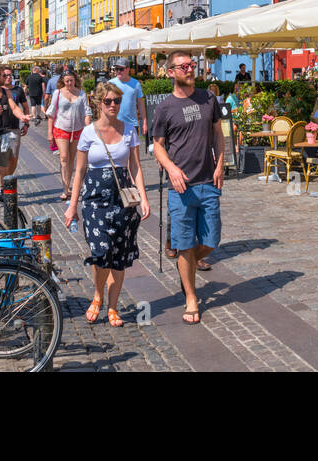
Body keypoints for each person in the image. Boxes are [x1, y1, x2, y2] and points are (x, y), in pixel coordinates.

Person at [64, 81, 150, 326]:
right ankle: (98, 296)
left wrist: (143, 197)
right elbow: (79, 172)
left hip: (123, 199)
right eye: (108, 101)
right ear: (99, 103)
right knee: (101, 252)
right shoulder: (88, 132)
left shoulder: (129, 130)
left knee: (119, 256)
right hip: (95, 200)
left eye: (117, 101)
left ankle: (113, 307)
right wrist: (72, 206)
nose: (113, 105)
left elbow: (134, 167)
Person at [151, 50, 224, 325]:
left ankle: (187, 267)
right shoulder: (165, 108)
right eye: (183, 66)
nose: (190, 70)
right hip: (180, 187)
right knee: (183, 244)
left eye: (192, 65)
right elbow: (158, 146)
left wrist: (220, 163)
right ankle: (191, 297)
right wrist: (171, 168)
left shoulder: (208, 98)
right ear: (170, 72)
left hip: (208, 180)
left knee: (210, 241)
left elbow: (217, 132)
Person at [49, 71, 90, 201]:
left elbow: (87, 112)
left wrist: (88, 128)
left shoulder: (81, 93)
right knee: (64, 157)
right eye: (66, 81)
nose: (69, 83)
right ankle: (65, 189)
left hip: (77, 130)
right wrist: (49, 133)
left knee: (72, 159)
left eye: (71, 80)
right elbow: (51, 114)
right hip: (61, 128)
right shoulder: (58, 93)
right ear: (63, 81)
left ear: (75, 80)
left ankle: (71, 185)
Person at [109, 58, 147, 151]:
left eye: (121, 69)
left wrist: (144, 122)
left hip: (132, 123)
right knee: (116, 152)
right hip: (114, 123)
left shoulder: (135, 83)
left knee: (133, 153)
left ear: (128, 69)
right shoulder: (111, 83)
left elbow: (140, 103)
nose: (118, 71)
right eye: (116, 69)